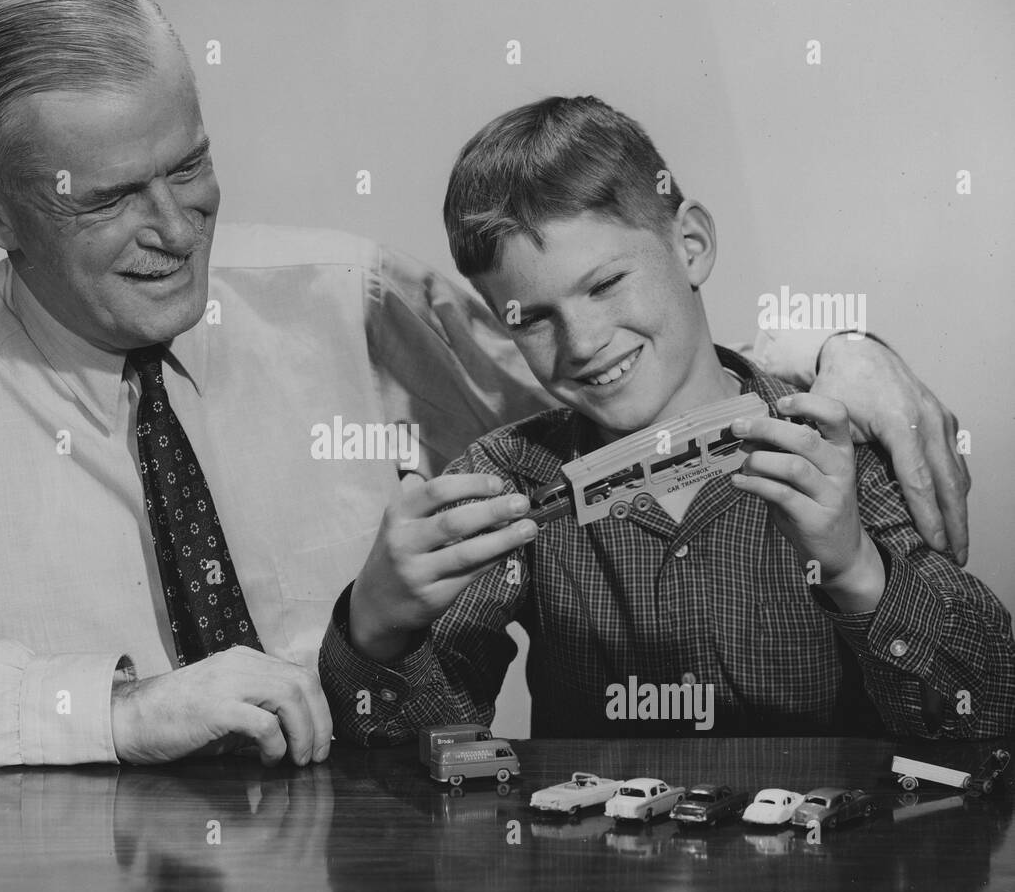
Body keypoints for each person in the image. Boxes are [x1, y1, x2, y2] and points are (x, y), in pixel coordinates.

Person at [0, 0, 973, 767]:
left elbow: (608, 370)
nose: (174, 228)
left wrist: (828, 350)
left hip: (374, 869)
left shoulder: (344, 294)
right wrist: (109, 712)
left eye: (189, 165)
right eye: (108, 198)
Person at [320, 95, 1014, 742]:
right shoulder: (507, 483)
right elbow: (422, 757)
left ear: (691, 245)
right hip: (599, 869)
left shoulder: (834, 448)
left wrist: (858, 569)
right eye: (531, 318)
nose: (583, 343)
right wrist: (376, 627)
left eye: (605, 283)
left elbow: (994, 709)